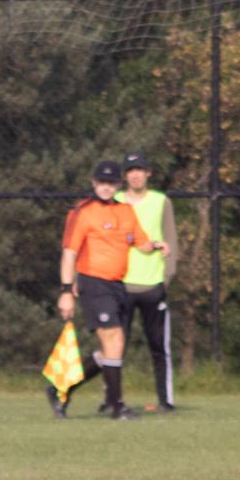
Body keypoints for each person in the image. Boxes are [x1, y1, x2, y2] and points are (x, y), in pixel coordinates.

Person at [51, 160, 161, 421]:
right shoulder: (83, 212)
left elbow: (139, 241)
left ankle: (62, 389)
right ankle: (116, 405)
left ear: (117, 185)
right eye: (102, 182)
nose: (106, 187)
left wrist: (156, 245)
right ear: (93, 182)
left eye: (111, 183)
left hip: (117, 285)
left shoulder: (125, 212)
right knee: (112, 339)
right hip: (93, 283)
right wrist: (66, 290)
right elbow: (69, 253)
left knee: (113, 349)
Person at [114, 152, 180, 412]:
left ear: (148, 173)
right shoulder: (116, 201)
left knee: (158, 347)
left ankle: (166, 400)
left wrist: (166, 279)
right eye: (131, 170)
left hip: (153, 286)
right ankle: (113, 399)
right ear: (124, 176)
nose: (136, 174)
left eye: (140, 169)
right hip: (121, 285)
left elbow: (171, 240)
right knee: (115, 347)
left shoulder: (160, 201)